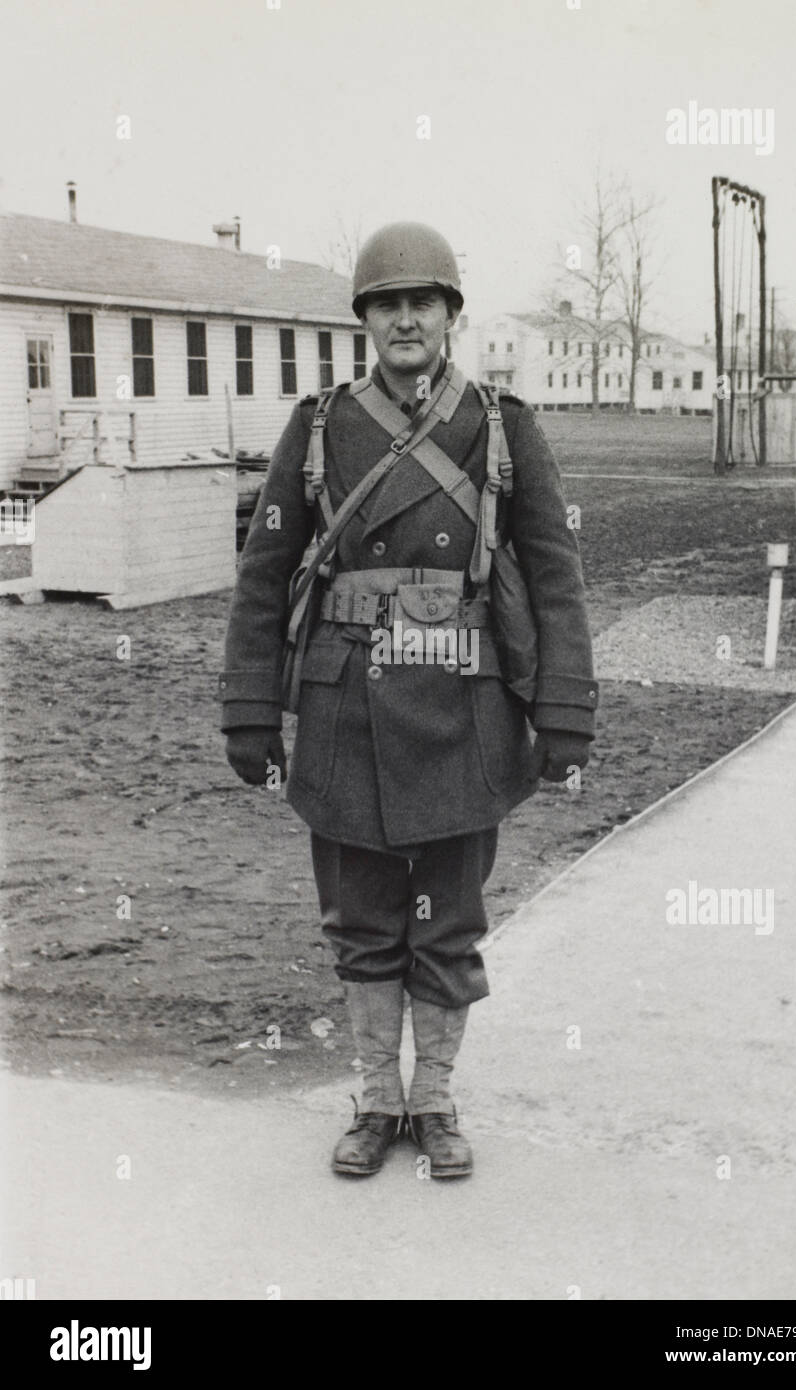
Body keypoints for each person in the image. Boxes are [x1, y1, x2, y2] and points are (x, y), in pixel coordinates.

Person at [219, 222, 598, 1178]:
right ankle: (374, 1100)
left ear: (451, 318)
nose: (404, 319)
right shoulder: (315, 427)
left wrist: (564, 710)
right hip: (346, 713)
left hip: (465, 713)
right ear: (365, 322)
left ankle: (433, 1102)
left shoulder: (505, 426)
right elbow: (265, 576)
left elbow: (555, 575)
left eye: (421, 302)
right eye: (386, 304)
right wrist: (251, 710)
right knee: (360, 920)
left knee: (448, 921)